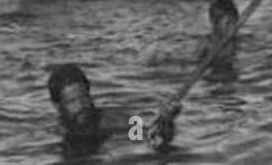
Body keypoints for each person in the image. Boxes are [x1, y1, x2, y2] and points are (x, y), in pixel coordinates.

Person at [48, 64, 178, 154]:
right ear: (57, 106)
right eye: (72, 101)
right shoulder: (53, 132)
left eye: (84, 97)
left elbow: (151, 137)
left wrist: (166, 121)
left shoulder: (114, 121)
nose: (81, 106)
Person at [195, 0, 239, 64]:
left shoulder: (233, 42)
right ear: (215, 23)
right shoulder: (206, 43)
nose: (232, 28)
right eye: (228, 23)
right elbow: (196, 61)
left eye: (234, 23)